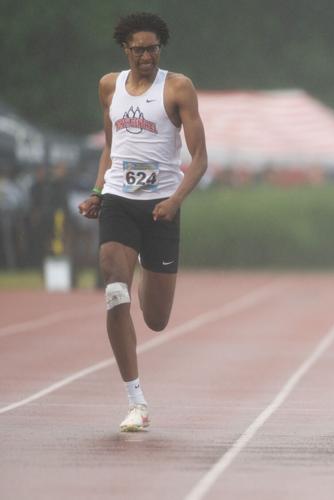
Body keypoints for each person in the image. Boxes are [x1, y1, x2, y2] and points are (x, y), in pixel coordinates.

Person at [78, 12, 207, 432]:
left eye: (153, 48)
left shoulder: (177, 87)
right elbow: (110, 149)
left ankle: (147, 271)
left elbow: (200, 159)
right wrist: (98, 192)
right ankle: (136, 400)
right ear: (125, 50)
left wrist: (175, 201)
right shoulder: (108, 86)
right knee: (115, 289)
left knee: (155, 318)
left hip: (160, 208)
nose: (147, 56)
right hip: (119, 199)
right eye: (139, 49)